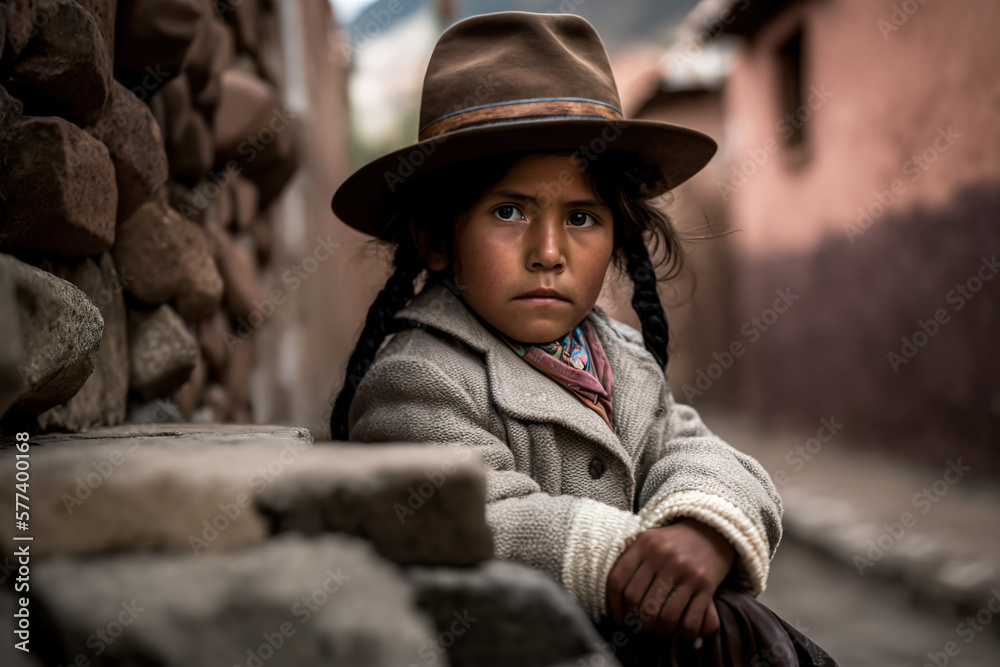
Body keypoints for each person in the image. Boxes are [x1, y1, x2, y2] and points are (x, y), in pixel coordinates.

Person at [327, 11, 838, 666]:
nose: (549, 252)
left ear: (617, 238)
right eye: (509, 211)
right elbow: (471, 518)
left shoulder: (621, 361)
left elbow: (702, 454)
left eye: (581, 217)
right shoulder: (419, 377)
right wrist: (631, 560)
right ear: (434, 239)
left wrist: (702, 528)